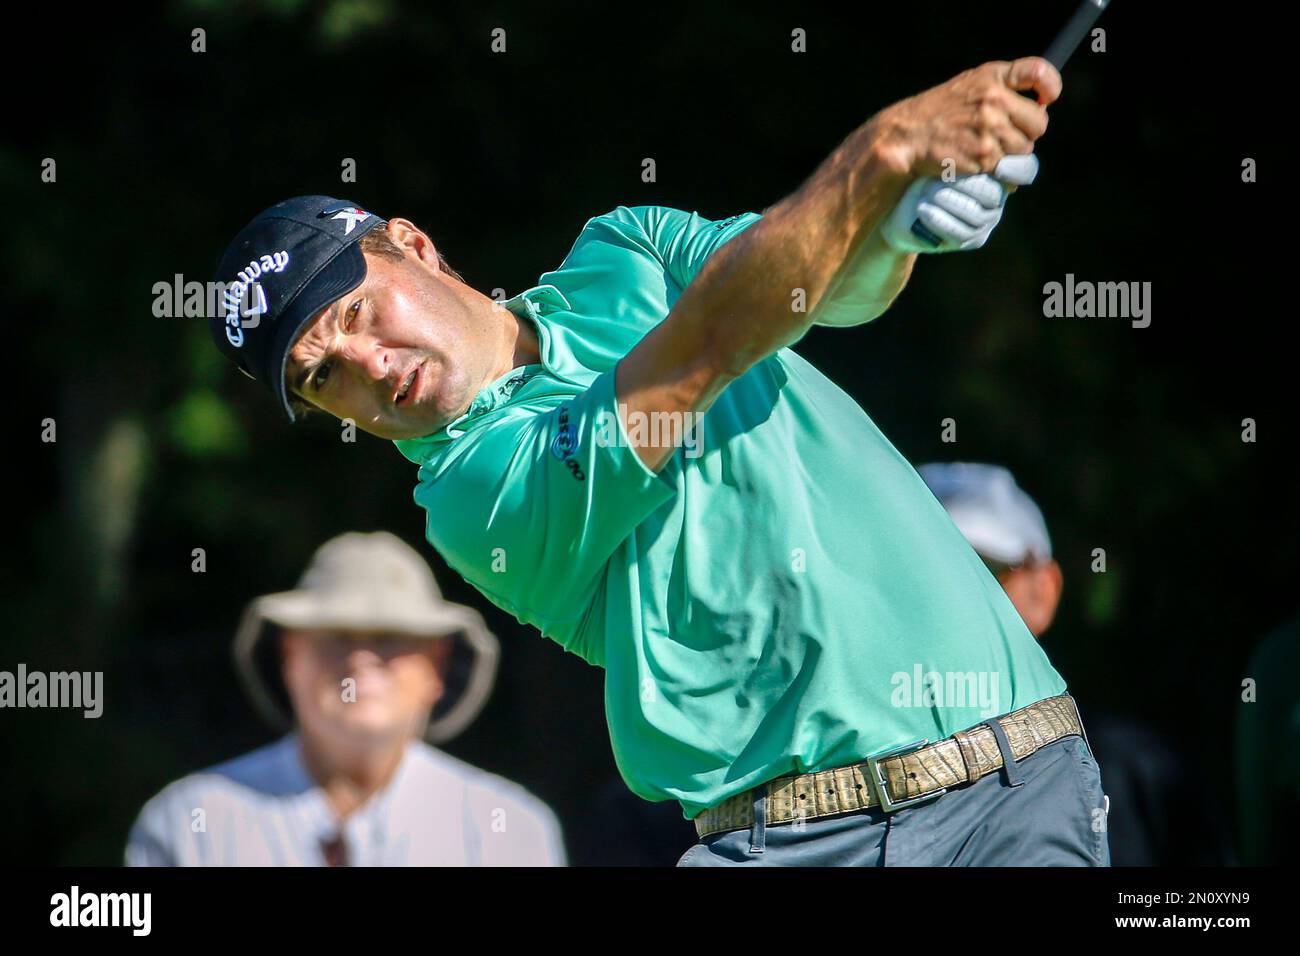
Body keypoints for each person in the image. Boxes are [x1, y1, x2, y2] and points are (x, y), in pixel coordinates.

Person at [208, 57, 1110, 866]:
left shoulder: (626, 247)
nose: (366, 368)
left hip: (1014, 787)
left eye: (358, 314)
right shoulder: (468, 498)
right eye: (321, 376)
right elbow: (696, 358)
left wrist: (900, 226)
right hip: (796, 843)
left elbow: (815, 286)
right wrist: (883, 154)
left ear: (412, 244)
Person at [126, 531, 565, 866]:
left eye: (391, 639)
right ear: (289, 657)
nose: (361, 660)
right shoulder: (189, 825)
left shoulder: (506, 832)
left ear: (437, 665)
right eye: (335, 638)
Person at [919, 461, 1237, 866]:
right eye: (920, 573)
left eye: (985, 570)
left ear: (1045, 590)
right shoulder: (823, 772)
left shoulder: (1137, 772)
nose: (950, 595)